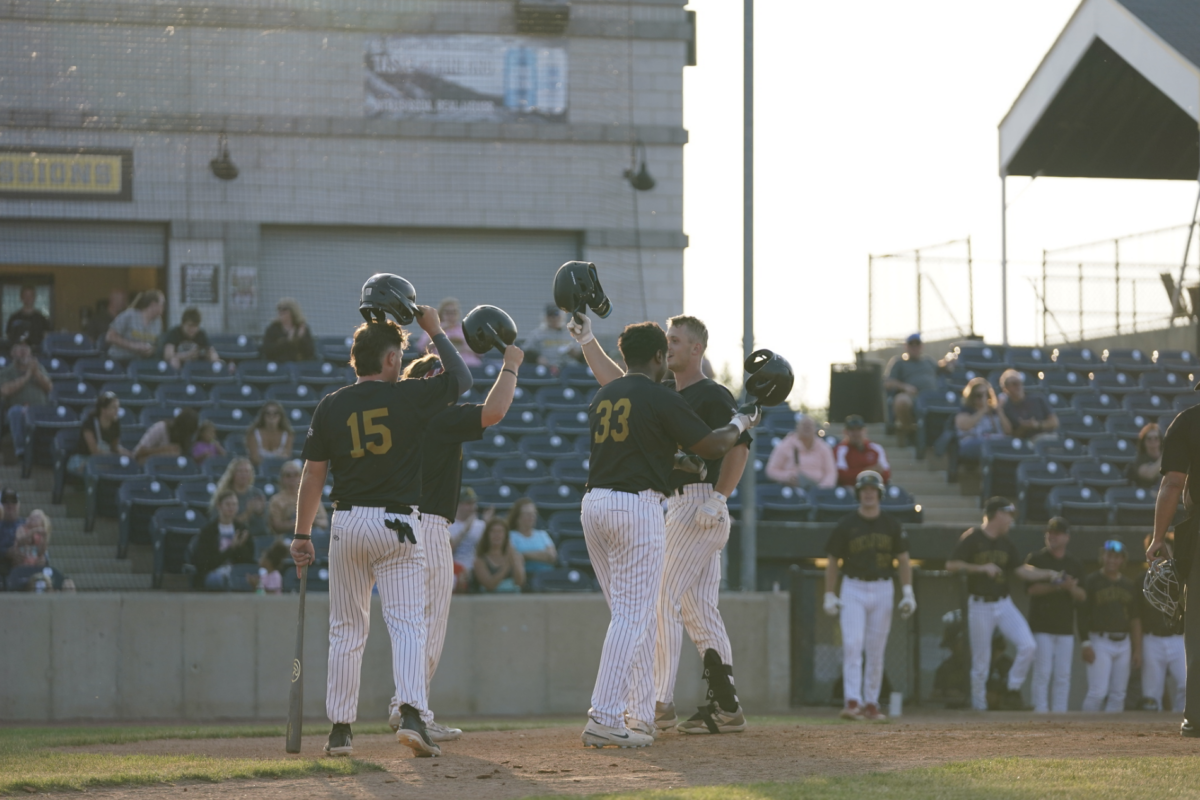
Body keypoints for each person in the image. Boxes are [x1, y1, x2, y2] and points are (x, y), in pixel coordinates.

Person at [564, 313, 760, 748]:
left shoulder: (618, 395)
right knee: (665, 610)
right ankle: (661, 707)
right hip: (647, 504)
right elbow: (715, 443)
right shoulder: (661, 393)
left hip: (620, 502)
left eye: (677, 341)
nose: (669, 348)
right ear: (655, 355)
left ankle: (659, 705)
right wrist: (743, 421)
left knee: (663, 607)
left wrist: (719, 495)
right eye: (665, 342)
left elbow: (732, 451)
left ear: (696, 348)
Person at [289, 295, 472, 759]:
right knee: (407, 624)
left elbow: (313, 474)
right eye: (400, 356)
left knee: (346, 629)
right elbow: (462, 379)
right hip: (398, 525)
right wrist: (435, 329)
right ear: (390, 359)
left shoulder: (330, 405)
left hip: (348, 521)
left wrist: (302, 534)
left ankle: (340, 731)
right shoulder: (408, 396)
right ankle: (411, 714)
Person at [386, 346, 523, 744]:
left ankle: (405, 704)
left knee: (408, 626)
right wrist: (511, 365)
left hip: (392, 525)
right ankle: (413, 710)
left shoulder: (397, 417)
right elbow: (495, 410)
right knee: (428, 626)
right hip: (427, 526)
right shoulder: (439, 417)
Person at [947, 497, 1061, 711]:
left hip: (1003, 603)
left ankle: (1011, 687)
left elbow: (1021, 570)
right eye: (1008, 515)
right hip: (979, 605)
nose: (1010, 520)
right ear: (997, 514)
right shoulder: (972, 538)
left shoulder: (1005, 542)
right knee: (981, 662)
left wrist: (1049, 574)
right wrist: (980, 568)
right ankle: (979, 707)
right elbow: (951, 564)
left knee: (1028, 645)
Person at [824, 470, 915, 722]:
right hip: (853, 587)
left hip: (883, 587)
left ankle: (871, 703)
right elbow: (832, 560)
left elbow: (904, 559)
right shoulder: (846, 524)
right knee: (852, 645)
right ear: (858, 493)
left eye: (872, 490)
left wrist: (908, 592)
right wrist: (829, 593)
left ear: (879, 493)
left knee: (876, 649)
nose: (868, 494)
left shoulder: (892, 524)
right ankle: (852, 701)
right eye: (864, 490)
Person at [1146, 378, 1200, 736]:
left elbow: (1172, 484)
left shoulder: (1189, 421)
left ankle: (1198, 715)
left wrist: (1157, 537)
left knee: (1198, 630)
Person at [1025, 517, 1086, 713]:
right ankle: (1040, 712)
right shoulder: (1036, 559)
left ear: (1067, 537)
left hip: (1065, 628)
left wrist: (1069, 587)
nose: (1052, 536)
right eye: (1049, 532)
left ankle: (1060, 714)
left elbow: (1082, 595)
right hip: (1041, 626)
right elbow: (1031, 589)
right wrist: (1058, 586)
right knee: (1042, 673)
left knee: (1063, 675)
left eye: (1057, 533)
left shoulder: (1074, 563)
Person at [1078, 540, 1142, 712]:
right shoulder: (1091, 581)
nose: (1112, 560)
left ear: (1122, 560)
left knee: (1118, 694)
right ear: (1102, 557)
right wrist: (1085, 643)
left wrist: (1137, 649)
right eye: (1109, 556)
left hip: (1124, 643)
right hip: (1100, 641)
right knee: (1097, 692)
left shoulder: (1128, 585)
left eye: (1116, 557)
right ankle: (1084, 728)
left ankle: (1112, 730)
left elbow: (1135, 619)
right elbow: (1082, 615)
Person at [1140, 533, 1186, 713]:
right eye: (1158, 551)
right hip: (1152, 638)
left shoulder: (1184, 579)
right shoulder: (1142, 580)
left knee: (1186, 684)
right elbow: (1136, 617)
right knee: (1151, 694)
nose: (1163, 556)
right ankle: (1152, 729)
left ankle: (1182, 720)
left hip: (1178, 638)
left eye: (1167, 550)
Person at [884, 333, 946, 441]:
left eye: (917, 344)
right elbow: (888, 383)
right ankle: (909, 431)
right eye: (911, 344)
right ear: (906, 346)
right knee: (901, 401)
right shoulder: (899, 362)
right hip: (913, 396)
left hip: (933, 396)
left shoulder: (928, 361)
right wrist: (904, 387)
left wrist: (949, 362)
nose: (914, 347)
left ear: (921, 346)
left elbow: (942, 368)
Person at [192, 489, 256, 590]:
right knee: (221, 580)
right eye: (228, 504)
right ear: (219, 506)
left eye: (234, 504)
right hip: (214, 571)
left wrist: (240, 546)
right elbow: (206, 563)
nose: (231, 508)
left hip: (236, 571)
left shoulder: (242, 529)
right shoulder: (208, 531)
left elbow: (248, 560)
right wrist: (231, 548)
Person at [0, 341, 52, 460]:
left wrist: (36, 373)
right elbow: (5, 390)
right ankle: (21, 451)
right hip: (18, 410)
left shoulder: (39, 368)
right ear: (12, 353)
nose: (23, 351)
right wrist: (27, 376)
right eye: (19, 348)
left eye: (26, 348)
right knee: (15, 412)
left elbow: (49, 387)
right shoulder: (6, 371)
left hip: (39, 409)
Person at [765, 414, 837, 491]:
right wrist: (787, 476)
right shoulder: (785, 445)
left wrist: (822, 489)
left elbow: (831, 473)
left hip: (818, 489)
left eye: (810, 425)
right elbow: (771, 470)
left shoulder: (824, 448)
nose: (807, 427)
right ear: (797, 427)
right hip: (793, 489)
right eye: (804, 425)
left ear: (815, 429)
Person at [67, 391, 129, 476]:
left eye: (118, 407)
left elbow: (115, 448)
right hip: (82, 458)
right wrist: (113, 457)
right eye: (113, 408)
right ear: (103, 410)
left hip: (105, 459)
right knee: (94, 469)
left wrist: (130, 455)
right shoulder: (89, 424)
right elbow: (95, 452)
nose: (117, 411)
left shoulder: (115, 424)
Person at [411, 297, 481, 368]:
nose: (451, 316)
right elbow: (421, 349)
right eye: (447, 313)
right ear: (441, 313)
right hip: (441, 365)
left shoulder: (464, 329)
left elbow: (479, 351)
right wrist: (438, 332)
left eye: (454, 312)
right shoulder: (434, 327)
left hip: (469, 365)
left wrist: (460, 346)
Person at [955, 377, 1013, 461]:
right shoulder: (966, 410)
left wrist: (1000, 411)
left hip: (995, 441)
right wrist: (982, 411)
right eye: (979, 395)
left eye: (987, 394)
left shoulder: (994, 412)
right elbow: (964, 426)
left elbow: (1008, 431)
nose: (984, 398)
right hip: (972, 443)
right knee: (986, 446)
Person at [268, 459, 328, 536]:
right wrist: (299, 523)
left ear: (301, 477)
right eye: (288, 475)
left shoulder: (312, 497)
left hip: (312, 536)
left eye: (296, 475)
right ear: (282, 478)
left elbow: (324, 522)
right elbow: (276, 526)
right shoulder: (276, 500)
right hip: (287, 537)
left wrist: (314, 522)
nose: (292, 478)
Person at [211, 457, 268, 537]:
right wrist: (247, 513)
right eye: (240, 471)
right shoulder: (224, 494)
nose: (244, 475)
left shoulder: (257, 493)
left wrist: (261, 512)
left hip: (256, 536)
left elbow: (266, 523)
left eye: (247, 471)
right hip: (230, 536)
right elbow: (222, 523)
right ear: (232, 474)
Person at [999, 369, 1058, 441]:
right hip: (1025, 442)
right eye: (1014, 383)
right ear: (1005, 388)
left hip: (1047, 437)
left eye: (1019, 382)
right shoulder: (1006, 408)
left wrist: (1037, 424)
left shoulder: (1038, 398)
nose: (1018, 385)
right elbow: (1010, 434)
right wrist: (1023, 428)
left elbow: (1054, 422)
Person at [106, 289, 164, 361]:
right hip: (120, 359)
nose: (163, 307)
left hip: (142, 361)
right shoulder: (129, 315)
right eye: (162, 304)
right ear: (153, 304)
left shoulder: (158, 321)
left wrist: (150, 350)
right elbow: (110, 336)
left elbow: (157, 344)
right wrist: (133, 346)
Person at [450, 488, 489, 592]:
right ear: (458, 504)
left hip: (475, 570)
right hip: (454, 569)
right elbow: (448, 551)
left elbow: (485, 552)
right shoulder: (449, 525)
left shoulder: (481, 525)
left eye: (474, 503)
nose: (473, 507)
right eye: (468, 503)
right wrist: (465, 530)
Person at [834, 416, 890, 486]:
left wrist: (855, 472)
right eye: (852, 430)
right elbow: (842, 476)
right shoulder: (840, 449)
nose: (856, 433)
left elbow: (886, 474)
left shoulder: (876, 448)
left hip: (873, 487)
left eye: (859, 430)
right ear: (846, 432)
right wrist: (868, 471)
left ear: (864, 431)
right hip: (851, 488)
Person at [506, 497, 556, 576]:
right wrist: (542, 555)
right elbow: (512, 558)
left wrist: (524, 555)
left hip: (546, 577)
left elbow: (552, 557)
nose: (532, 517)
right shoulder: (510, 535)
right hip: (525, 577)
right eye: (528, 514)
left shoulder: (542, 534)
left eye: (534, 513)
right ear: (518, 517)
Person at [473, 518, 525, 593]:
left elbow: (519, 582)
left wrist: (513, 559)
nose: (497, 535)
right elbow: (490, 585)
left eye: (500, 531)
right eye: (493, 531)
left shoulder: (517, 557)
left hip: (513, 597)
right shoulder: (480, 560)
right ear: (487, 535)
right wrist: (506, 566)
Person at [132, 408, 199, 464]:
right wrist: (163, 450)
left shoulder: (188, 438)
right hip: (149, 466)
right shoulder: (161, 428)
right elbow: (138, 453)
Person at [261, 298, 315, 362]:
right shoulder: (273, 329)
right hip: (279, 363)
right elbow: (268, 351)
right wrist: (287, 341)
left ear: (293, 312)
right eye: (279, 309)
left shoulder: (301, 328)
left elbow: (309, 352)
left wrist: (300, 338)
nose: (281, 312)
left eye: (284, 309)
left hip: (298, 364)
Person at [244, 401, 294, 466]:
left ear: (281, 416)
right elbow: (254, 458)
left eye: (275, 413)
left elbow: (286, 457)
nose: (271, 416)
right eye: (268, 413)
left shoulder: (287, 435)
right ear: (263, 416)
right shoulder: (254, 434)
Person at [5, 286, 50, 351]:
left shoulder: (42, 319)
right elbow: (9, 337)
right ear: (21, 297)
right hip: (17, 353)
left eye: (30, 295)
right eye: (25, 295)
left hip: (36, 353)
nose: (28, 298)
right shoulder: (14, 318)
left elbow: (46, 338)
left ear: (34, 298)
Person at [1128, 423, 1163, 489]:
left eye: (1156, 438)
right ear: (1144, 442)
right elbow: (1150, 474)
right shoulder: (1139, 461)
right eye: (1149, 439)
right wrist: (1165, 456)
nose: (1153, 441)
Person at [0, 488, 23, 581]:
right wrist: (6, 553)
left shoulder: (27, 524)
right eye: (5, 501)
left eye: (13, 501)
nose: (9, 504)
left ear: (18, 505)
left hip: (25, 569)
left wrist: (43, 558)